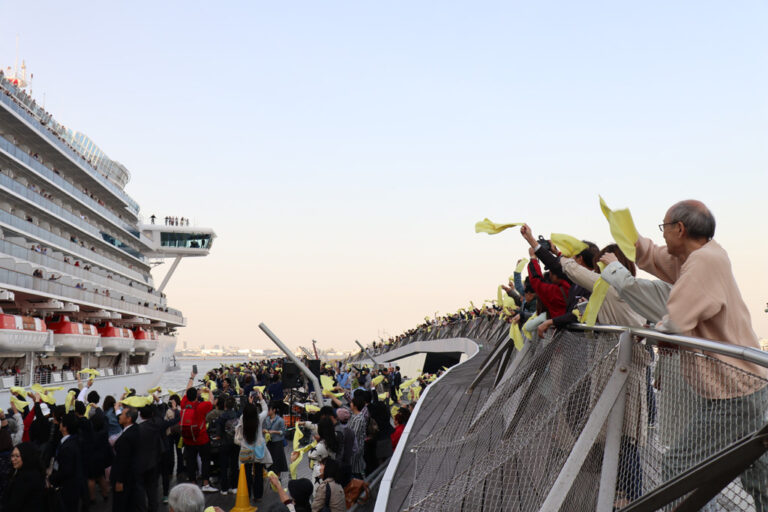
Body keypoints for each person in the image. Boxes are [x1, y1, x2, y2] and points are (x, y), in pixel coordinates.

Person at [637, 199, 768, 509]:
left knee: (678, 471)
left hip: (732, 395)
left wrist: (660, 330)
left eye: (664, 228)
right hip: (746, 387)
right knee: (757, 476)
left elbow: (678, 321)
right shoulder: (702, 256)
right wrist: (632, 241)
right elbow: (660, 258)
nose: (663, 235)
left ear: (679, 229)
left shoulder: (703, 262)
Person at [180, 371, 216, 492]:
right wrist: (209, 391)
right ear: (196, 396)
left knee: (191, 461)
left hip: (188, 439)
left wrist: (192, 377)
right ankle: (205, 484)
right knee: (205, 460)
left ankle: (193, 483)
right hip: (202, 438)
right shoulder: (201, 406)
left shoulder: (184, 404)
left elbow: (188, 390)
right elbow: (211, 401)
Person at [235, 393, 272, 503]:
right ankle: (258, 495)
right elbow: (265, 411)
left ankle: (247, 493)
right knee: (259, 473)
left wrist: (249, 403)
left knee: (246, 473)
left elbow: (246, 413)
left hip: (246, 449)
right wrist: (261, 399)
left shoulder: (243, 419)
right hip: (258, 449)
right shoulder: (258, 418)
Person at [49, 412, 84, 512]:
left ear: (65, 427)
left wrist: (51, 479)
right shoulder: (74, 441)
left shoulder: (68, 447)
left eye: (61, 423)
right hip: (72, 485)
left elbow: (66, 470)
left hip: (68, 487)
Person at [111, 407, 140, 512]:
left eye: (122, 414)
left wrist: (119, 481)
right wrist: (117, 409)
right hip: (132, 476)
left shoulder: (126, 438)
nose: (120, 416)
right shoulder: (135, 428)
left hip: (125, 478)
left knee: (121, 504)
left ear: (128, 419)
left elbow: (124, 460)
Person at [2, 442, 45, 511]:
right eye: (12, 456)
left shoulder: (27, 478)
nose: (13, 459)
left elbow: (14, 505)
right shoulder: (27, 472)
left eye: (17, 456)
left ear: (26, 457)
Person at [264, 400, 288, 482]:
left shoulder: (280, 420)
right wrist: (264, 431)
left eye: (269, 410)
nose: (267, 411)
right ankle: (272, 476)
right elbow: (264, 428)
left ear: (274, 410)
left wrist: (274, 432)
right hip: (269, 442)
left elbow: (283, 432)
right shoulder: (266, 419)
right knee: (270, 459)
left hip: (278, 442)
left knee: (278, 459)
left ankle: (278, 477)